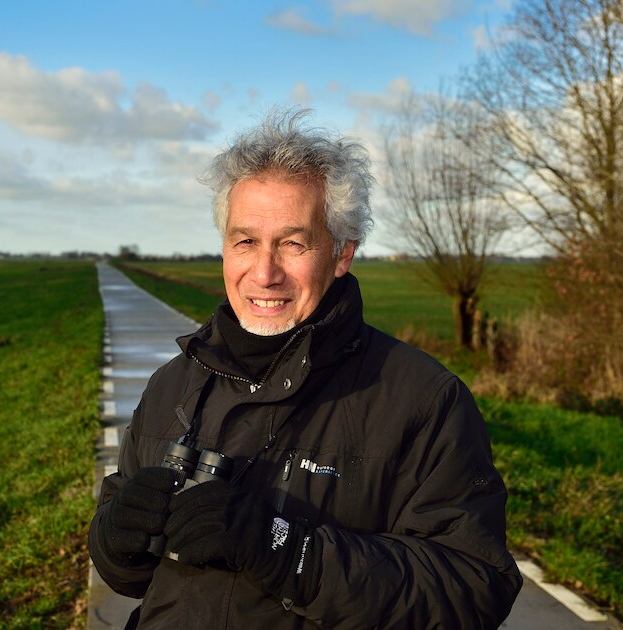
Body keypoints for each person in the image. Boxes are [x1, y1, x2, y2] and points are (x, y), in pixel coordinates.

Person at [88, 109, 522, 628]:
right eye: (245, 241)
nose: (265, 272)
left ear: (341, 254)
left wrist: (290, 553)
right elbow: (127, 578)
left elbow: (473, 589)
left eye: (293, 243)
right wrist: (116, 537)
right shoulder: (172, 385)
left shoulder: (424, 400)